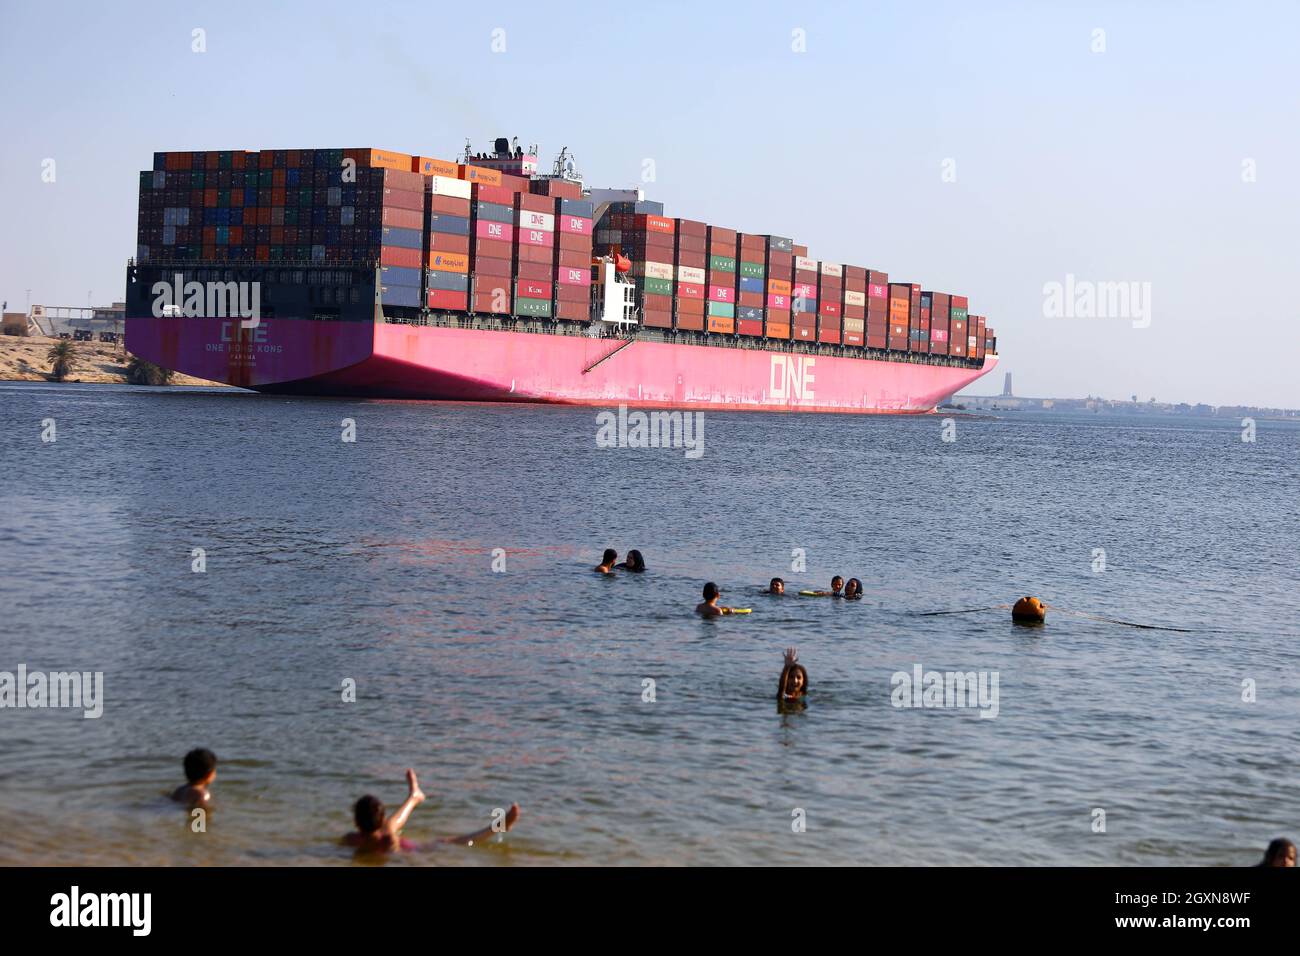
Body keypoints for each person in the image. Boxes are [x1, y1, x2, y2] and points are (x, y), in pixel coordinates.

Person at [343, 769, 522, 854]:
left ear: (356, 822)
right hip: (414, 849)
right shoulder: (388, 837)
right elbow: (394, 843)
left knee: (455, 841)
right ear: (382, 820)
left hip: (401, 843)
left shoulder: (351, 839)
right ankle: (414, 796)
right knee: (457, 841)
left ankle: (414, 795)